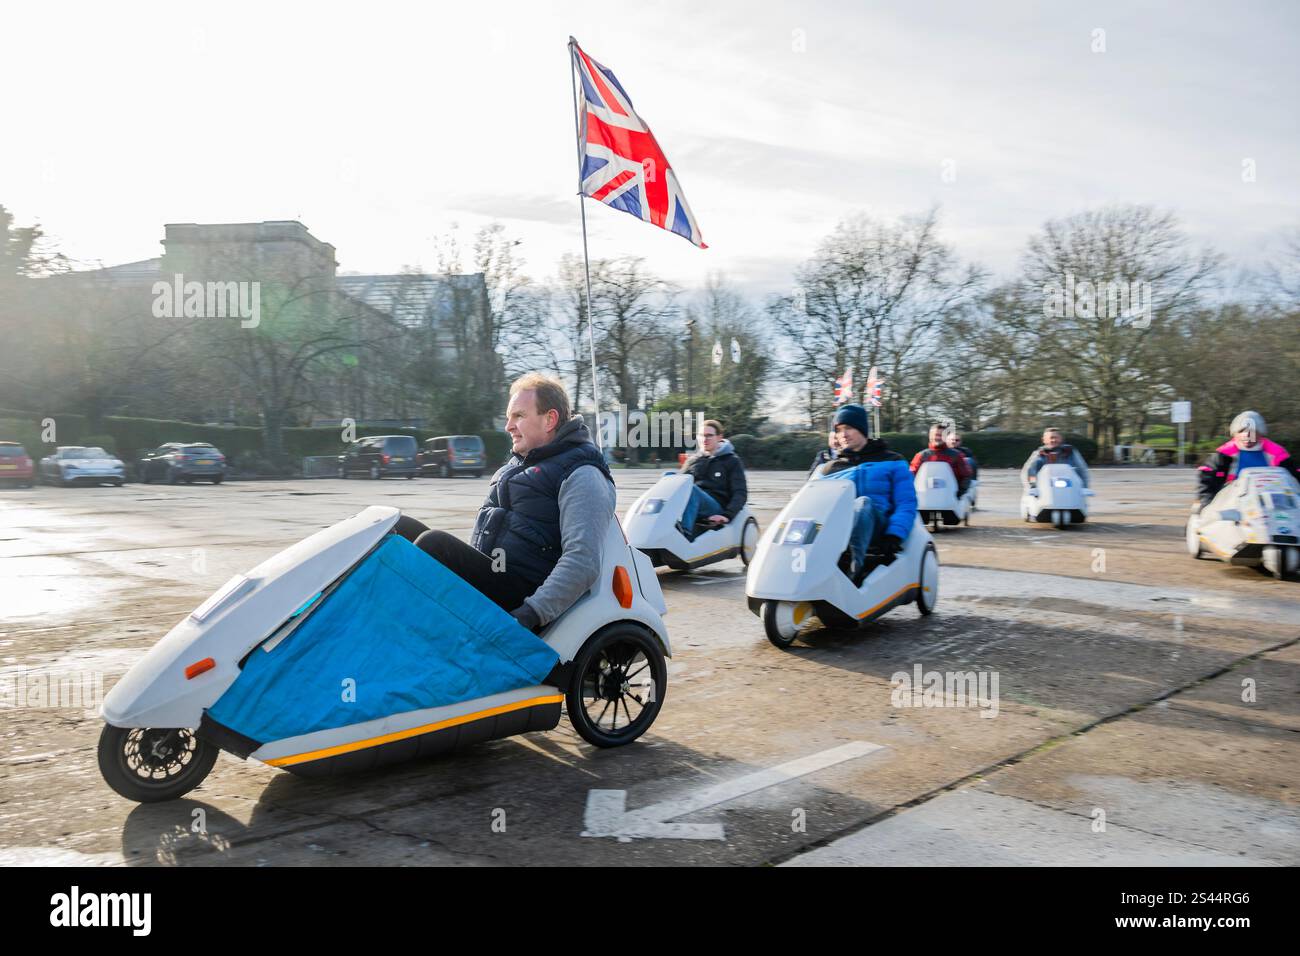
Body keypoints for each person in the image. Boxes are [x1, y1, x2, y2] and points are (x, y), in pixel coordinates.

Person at [394, 373, 616, 631]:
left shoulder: (582, 473)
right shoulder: (518, 464)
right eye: (509, 416)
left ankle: (396, 632)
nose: (508, 426)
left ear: (550, 420)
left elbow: (583, 560)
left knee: (435, 544)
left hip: (524, 593)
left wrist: (529, 614)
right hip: (496, 574)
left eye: (518, 416)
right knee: (398, 525)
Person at [814, 403, 917, 579]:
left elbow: (906, 503)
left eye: (848, 428)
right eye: (838, 430)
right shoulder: (828, 468)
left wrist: (894, 535)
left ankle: (851, 568)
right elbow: (810, 502)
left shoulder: (893, 461)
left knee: (863, 503)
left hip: (878, 526)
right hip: (836, 529)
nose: (843, 434)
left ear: (862, 429)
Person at [1196, 410, 1300, 508]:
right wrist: (1207, 502)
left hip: (1272, 504)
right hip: (1232, 504)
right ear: (1234, 434)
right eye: (1241, 431)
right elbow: (1207, 478)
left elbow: (1294, 476)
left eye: (1252, 431)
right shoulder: (1224, 454)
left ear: (1260, 434)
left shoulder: (1276, 452)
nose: (1247, 435)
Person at [677, 419, 748, 539]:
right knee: (668, 476)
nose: (705, 439)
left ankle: (684, 536)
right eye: (701, 435)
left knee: (693, 490)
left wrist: (727, 515)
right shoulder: (693, 460)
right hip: (692, 503)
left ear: (719, 437)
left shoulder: (731, 461)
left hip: (716, 506)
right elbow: (678, 484)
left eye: (709, 435)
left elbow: (740, 493)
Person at [909, 424, 973, 496]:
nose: (938, 437)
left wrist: (959, 493)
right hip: (924, 498)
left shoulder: (957, 456)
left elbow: (966, 476)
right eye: (936, 435)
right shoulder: (921, 456)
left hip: (950, 499)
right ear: (930, 436)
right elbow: (910, 476)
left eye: (942, 435)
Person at [1021, 427, 1090, 492]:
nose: (1053, 440)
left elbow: (1082, 470)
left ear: (1061, 439)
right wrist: (1032, 487)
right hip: (1045, 490)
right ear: (1044, 440)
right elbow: (1029, 471)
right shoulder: (1039, 453)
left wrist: (1084, 487)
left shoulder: (1070, 451)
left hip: (1069, 489)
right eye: (1051, 438)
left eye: (1056, 437)